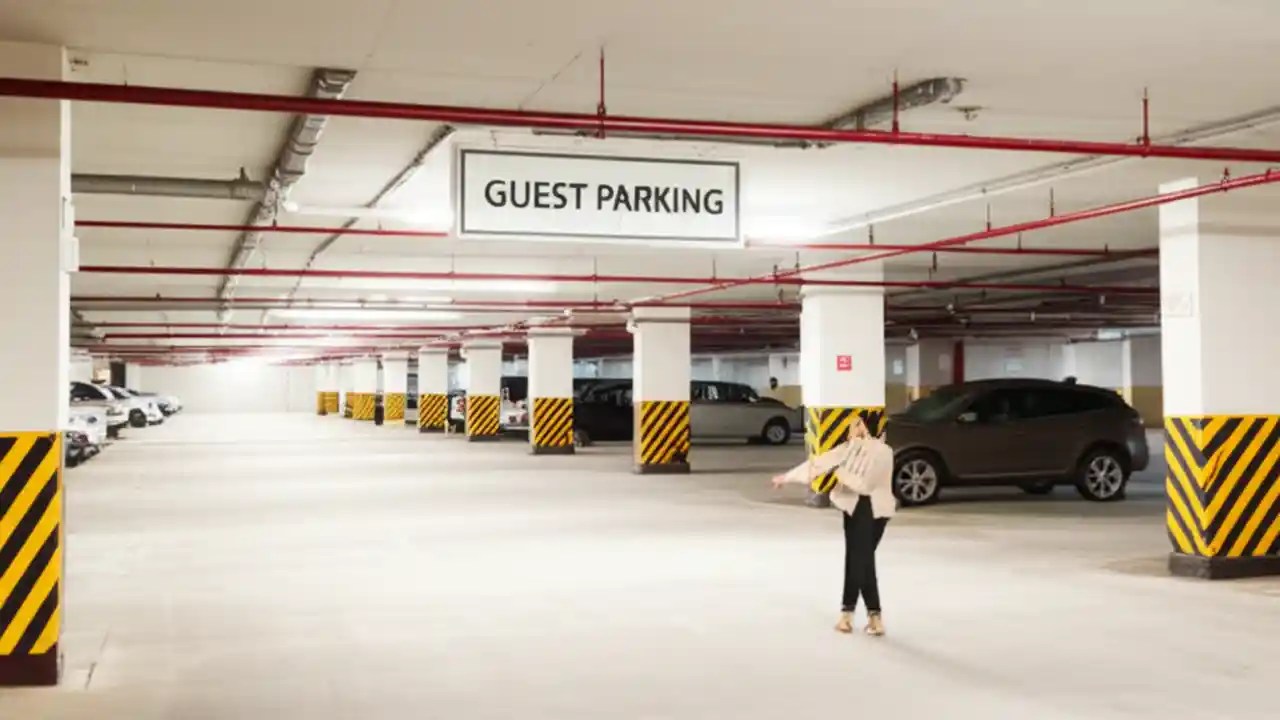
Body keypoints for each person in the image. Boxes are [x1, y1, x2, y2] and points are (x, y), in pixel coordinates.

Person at [772, 417, 895, 636]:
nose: (855, 430)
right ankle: (872, 618)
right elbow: (817, 464)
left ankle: (849, 615)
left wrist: (840, 473)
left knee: (859, 560)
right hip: (852, 506)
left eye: (860, 425)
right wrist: (787, 477)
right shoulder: (847, 449)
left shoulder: (883, 451)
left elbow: (866, 485)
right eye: (852, 426)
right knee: (862, 560)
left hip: (873, 509)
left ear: (871, 428)